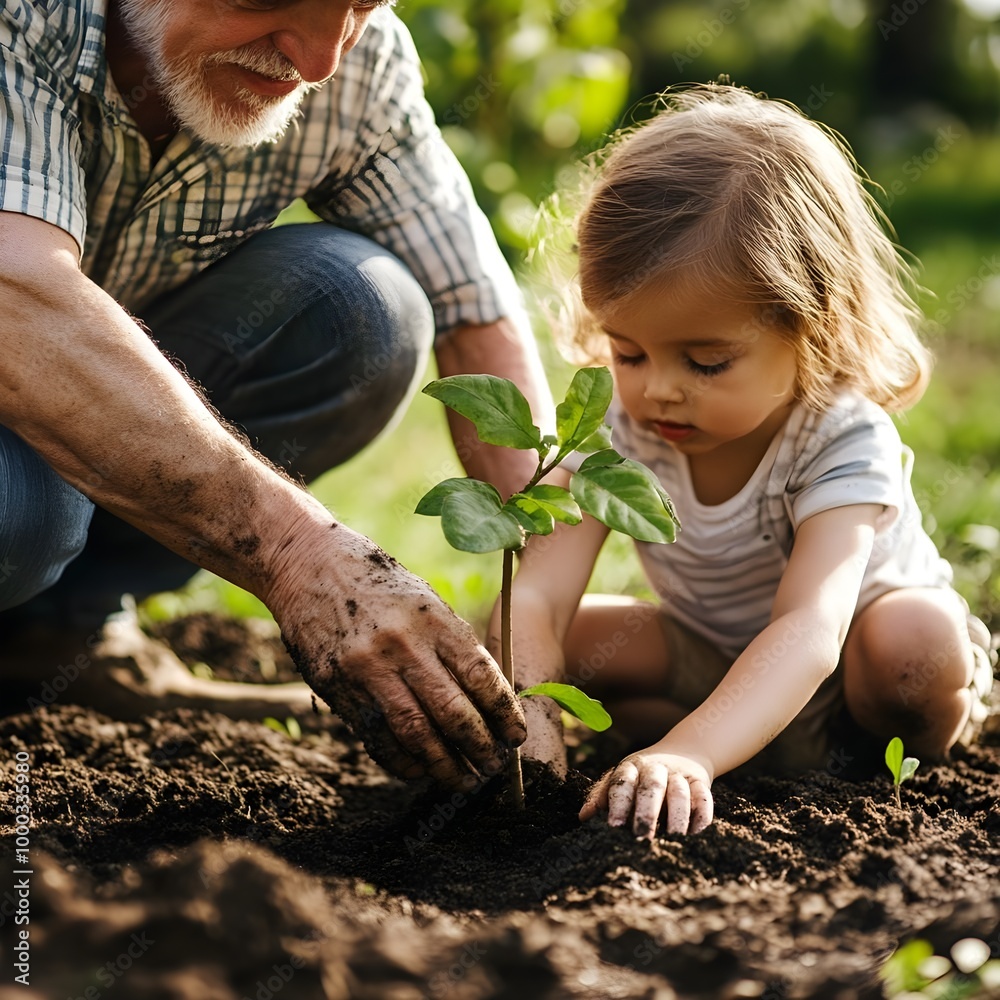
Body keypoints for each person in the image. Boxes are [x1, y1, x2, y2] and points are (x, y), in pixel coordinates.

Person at [0, 0, 559, 787]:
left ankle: (57, 637)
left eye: (359, 8)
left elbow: (475, 313)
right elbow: (14, 303)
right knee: (21, 510)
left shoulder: (358, 67)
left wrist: (534, 621)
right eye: (268, 0)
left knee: (361, 308)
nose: (321, 59)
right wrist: (300, 557)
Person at [492, 84, 996, 837]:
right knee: (526, 634)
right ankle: (743, 743)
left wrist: (690, 751)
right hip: (715, 654)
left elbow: (808, 629)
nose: (658, 391)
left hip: (852, 671)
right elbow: (538, 598)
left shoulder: (839, 437)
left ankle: (871, 770)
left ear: (812, 327)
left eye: (706, 362)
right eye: (628, 351)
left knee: (911, 646)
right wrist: (533, 736)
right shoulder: (617, 425)